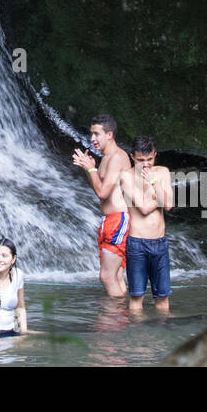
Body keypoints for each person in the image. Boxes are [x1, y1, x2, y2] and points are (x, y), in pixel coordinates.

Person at [72, 113, 130, 296]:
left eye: (97, 134)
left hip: (118, 220)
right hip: (110, 220)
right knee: (116, 276)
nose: (92, 139)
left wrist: (90, 169)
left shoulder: (117, 158)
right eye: (92, 134)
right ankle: (122, 320)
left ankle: (114, 319)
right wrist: (91, 169)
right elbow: (102, 191)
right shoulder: (106, 158)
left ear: (110, 134)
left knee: (107, 277)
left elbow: (102, 192)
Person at [119, 135, 174, 312]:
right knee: (136, 297)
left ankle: (163, 334)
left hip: (159, 242)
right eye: (141, 160)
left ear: (155, 155)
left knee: (163, 297)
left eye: (150, 159)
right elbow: (142, 208)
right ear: (132, 157)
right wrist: (158, 195)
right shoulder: (126, 176)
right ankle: (137, 336)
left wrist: (152, 182)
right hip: (137, 243)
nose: (146, 164)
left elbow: (168, 205)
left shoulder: (162, 172)